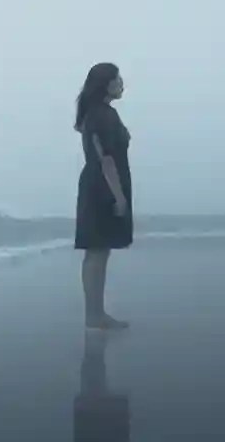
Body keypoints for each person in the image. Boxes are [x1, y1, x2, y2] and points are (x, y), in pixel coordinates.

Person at [74, 62, 132, 330]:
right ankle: (95, 316)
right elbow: (106, 160)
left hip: (94, 185)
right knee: (98, 254)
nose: (122, 84)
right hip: (103, 187)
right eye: (117, 79)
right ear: (105, 84)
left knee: (96, 253)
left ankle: (94, 314)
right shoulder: (103, 115)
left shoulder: (94, 114)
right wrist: (119, 197)